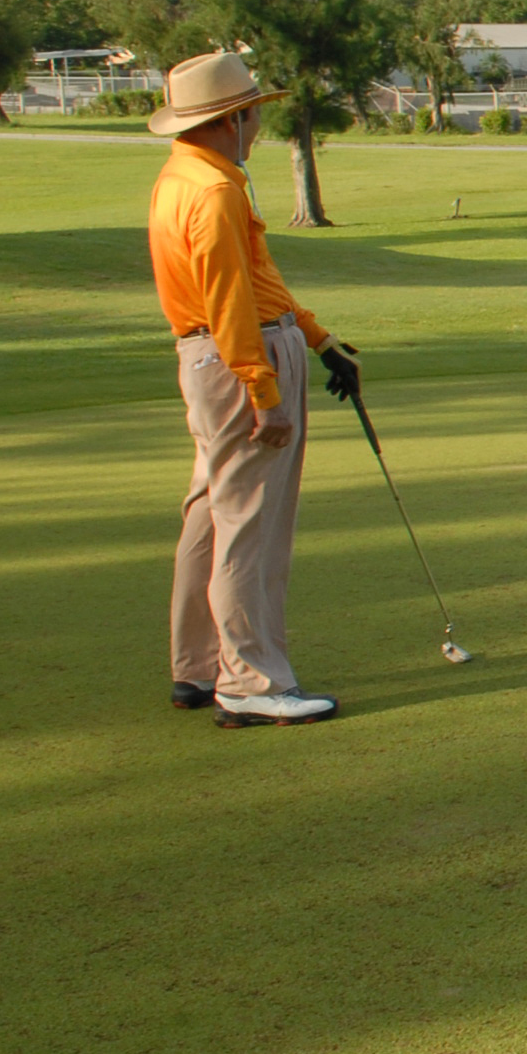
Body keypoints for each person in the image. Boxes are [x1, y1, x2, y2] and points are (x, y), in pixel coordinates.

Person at [147, 51, 363, 724]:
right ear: (232, 117)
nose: (258, 127)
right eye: (253, 114)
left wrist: (320, 339)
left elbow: (258, 278)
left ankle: (199, 668)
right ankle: (251, 683)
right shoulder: (214, 192)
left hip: (220, 358)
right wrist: (264, 392)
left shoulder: (187, 175)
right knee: (251, 528)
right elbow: (229, 299)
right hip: (240, 359)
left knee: (212, 512)